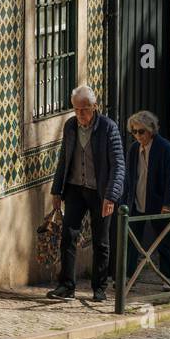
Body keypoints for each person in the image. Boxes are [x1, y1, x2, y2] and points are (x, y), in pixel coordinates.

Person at [48, 84, 125, 302]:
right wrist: (56, 190)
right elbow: (64, 159)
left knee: (101, 241)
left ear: (94, 107)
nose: (80, 114)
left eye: (84, 109)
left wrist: (111, 195)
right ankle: (66, 285)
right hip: (74, 189)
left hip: (100, 192)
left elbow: (119, 164)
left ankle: (99, 287)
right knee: (68, 236)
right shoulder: (70, 126)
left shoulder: (108, 128)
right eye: (76, 109)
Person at [123, 110, 170, 284]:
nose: (138, 136)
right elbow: (129, 177)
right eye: (134, 132)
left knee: (164, 242)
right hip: (137, 201)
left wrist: (168, 203)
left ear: (151, 130)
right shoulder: (133, 149)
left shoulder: (164, 148)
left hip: (158, 202)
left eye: (141, 132)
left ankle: (167, 277)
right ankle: (128, 277)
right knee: (131, 242)